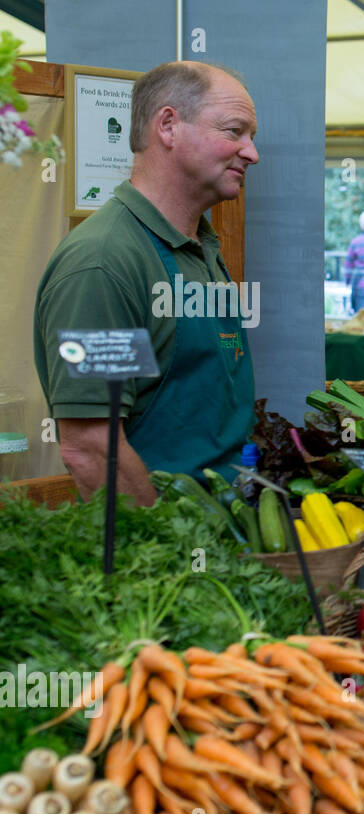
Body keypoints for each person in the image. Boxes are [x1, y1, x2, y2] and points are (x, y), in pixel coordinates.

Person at [34, 61, 259, 503]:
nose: (252, 153)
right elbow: (90, 450)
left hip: (226, 538)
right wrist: (169, 555)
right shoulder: (103, 263)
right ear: (169, 126)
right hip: (166, 554)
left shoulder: (202, 248)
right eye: (235, 131)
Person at [344, 209, 364, 312]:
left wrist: (347, 281)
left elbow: (348, 265)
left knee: (362, 319)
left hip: (361, 286)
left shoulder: (356, 242)